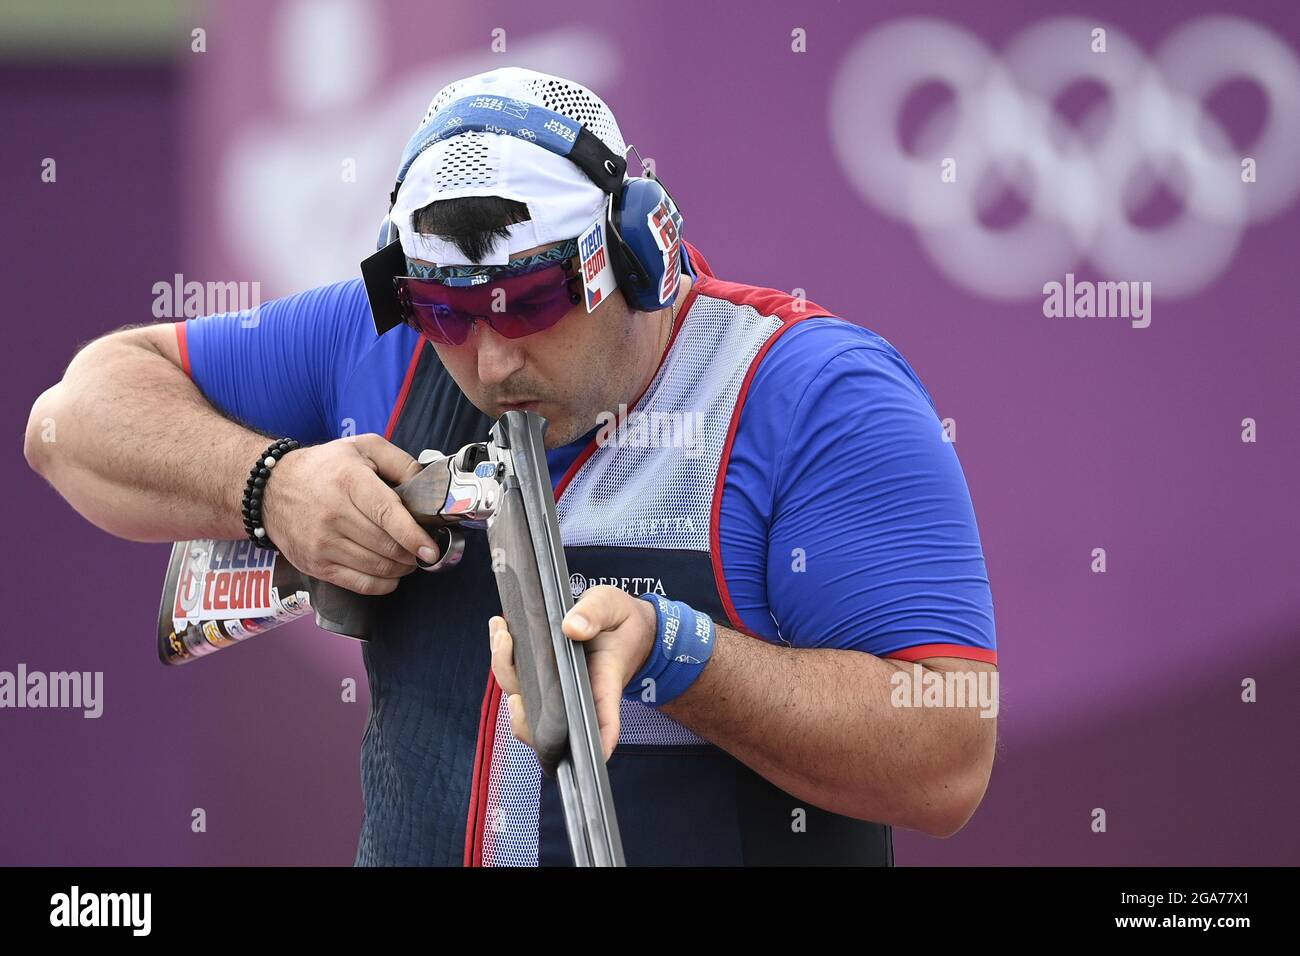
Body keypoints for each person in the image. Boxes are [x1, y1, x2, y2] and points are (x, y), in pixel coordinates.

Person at [24, 67, 997, 866]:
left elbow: (947, 761)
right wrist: (272, 485)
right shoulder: (383, 341)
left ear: (636, 252)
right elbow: (71, 420)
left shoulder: (815, 392)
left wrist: (674, 653)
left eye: (528, 303)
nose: (489, 359)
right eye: (446, 311)